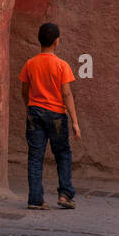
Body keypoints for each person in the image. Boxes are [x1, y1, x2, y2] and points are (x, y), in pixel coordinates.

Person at [19, 22, 80, 209]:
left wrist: (30, 107)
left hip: (35, 112)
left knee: (35, 156)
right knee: (62, 154)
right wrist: (75, 122)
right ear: (56, 41)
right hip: (56, 115)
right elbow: (67, 94)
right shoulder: (62, 66)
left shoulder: (30, 64)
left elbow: (24, 90)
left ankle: (35, 199)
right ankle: (65, 195)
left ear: (39, 41)